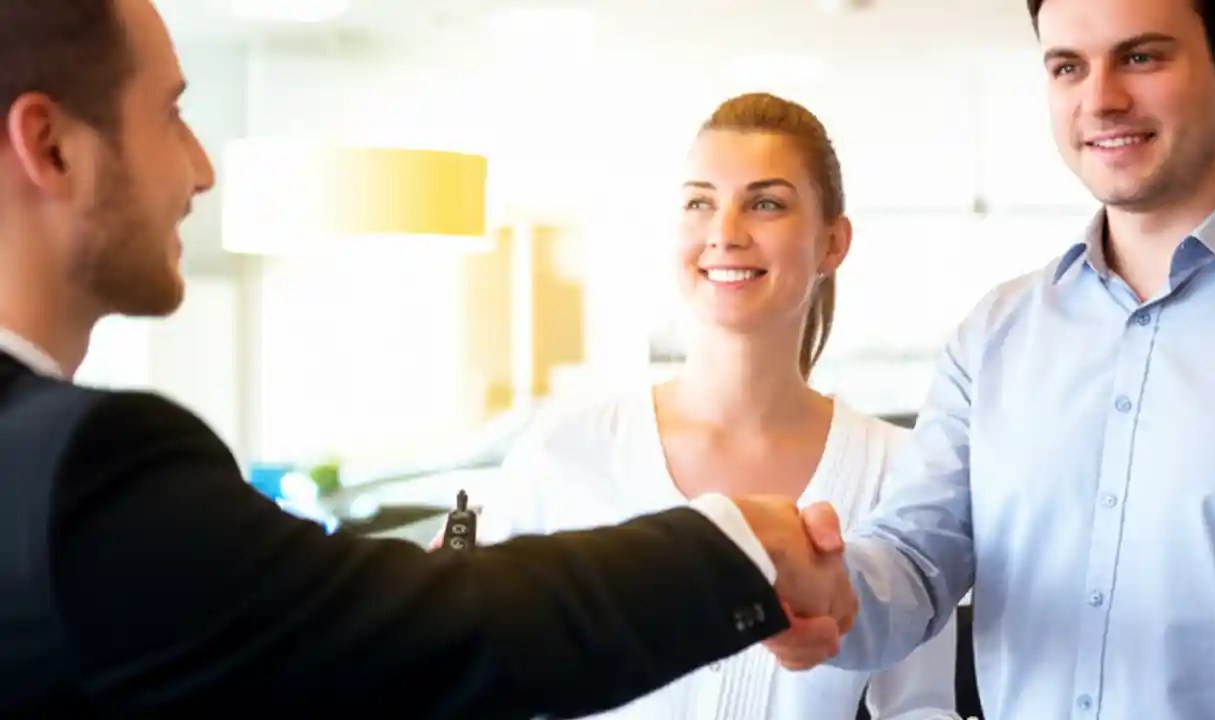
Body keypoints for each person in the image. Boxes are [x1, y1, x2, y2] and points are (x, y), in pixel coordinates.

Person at [0, 1, 859, 716]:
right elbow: (434, 632)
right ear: (51, 147)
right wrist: (743, 548)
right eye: (173, 113)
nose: (200, 170)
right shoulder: (80, 469)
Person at [765, 0, 1215, 718]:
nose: (1101, 100)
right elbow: (913, 562)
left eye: (1141, 57)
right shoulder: (995, 335)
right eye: (1068, 66)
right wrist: (821, 588)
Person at [467, 93, 959, 719]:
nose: (725, 233)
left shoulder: (900, 472)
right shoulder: (566, 448)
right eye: (700, 202)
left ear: (833, 242)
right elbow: (488, 682)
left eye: (766, 203)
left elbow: (921, 710)